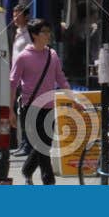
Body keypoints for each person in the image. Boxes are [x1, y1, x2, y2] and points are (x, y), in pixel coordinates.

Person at [10, 18, 69, 184]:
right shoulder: (23, 57)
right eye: (44, 32)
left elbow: (60, 78)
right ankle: (48, 181)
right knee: (41, 145)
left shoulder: (52, 55)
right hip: (30, 107)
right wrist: (10, 110)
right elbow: (13, 83)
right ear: (34, 35)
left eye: (49, 32)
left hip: (49, 107)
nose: (48, 35)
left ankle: (27, 170)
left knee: (44, 144)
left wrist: (73, 97)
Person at [10, 6, 32, 157]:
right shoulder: (16, 32)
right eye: (14, 16)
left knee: (26, 112)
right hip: (16, 78)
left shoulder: (29, 34)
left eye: (18, 16)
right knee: (20, 112)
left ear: (26, 17)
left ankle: (28, 145)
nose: (15, 19)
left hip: (26, 79)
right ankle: (23, 142)